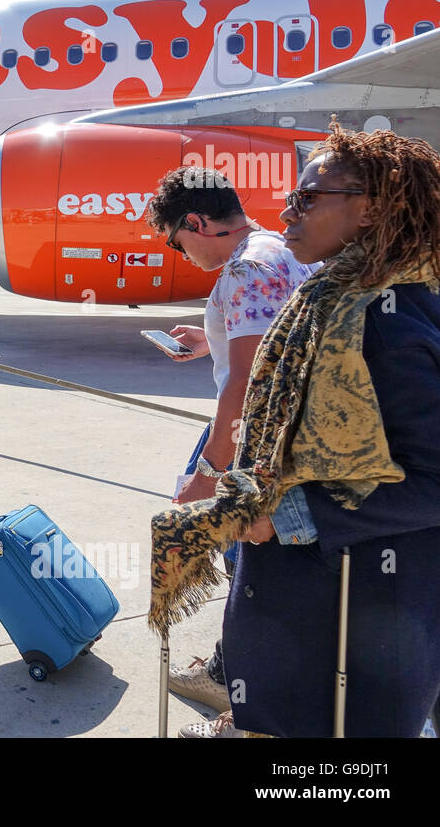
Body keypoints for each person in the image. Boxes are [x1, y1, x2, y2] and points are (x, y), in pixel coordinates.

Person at [150, 124, 440, 739]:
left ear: (372, 207)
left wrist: (286, 516)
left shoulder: (388, 321)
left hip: (360, 625)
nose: (286, 210)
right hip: (330, 616)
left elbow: (432, 481)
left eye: (309, 197)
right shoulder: (336, 297)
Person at [143, 166, 315, 728]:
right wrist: (210, 337)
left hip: (257, 446)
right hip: (295, 437)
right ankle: (233, 676)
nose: (180, 252)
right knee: (269, 572)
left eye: (177, 239)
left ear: (196, 221)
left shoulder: (243, 270)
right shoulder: (279, 248)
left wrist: (210, 471)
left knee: (252, 572)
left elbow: (245, 384)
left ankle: (247, 707)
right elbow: (263, 343)